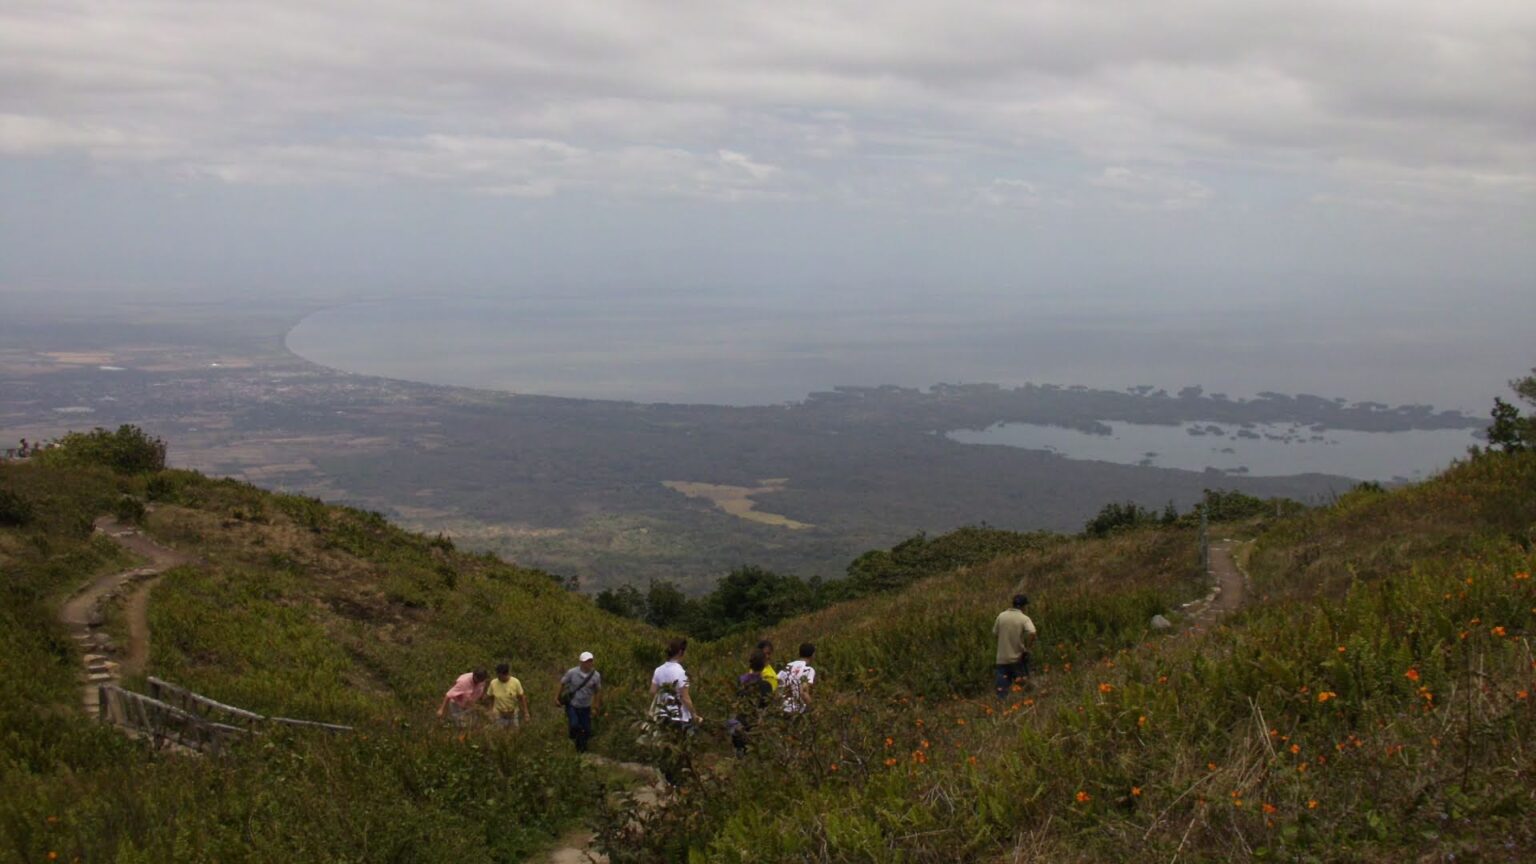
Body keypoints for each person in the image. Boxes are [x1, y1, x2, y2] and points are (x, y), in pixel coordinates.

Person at [728, 650, 774, 754]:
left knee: (740, 755)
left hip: (739, 722)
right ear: (764, 665)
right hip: (756, 724)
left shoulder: (741, 680)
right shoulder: (765, 685)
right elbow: (767, 705)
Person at [993, 593, 1037, 698]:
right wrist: (1027, 648)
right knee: (1025, 687)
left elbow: (995, 633)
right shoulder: (1024, 618)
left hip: (1001, 660)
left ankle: (1001, 708)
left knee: (1001, 691)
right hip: (1017, 659)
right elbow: (1032, 632)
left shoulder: (1001, 616)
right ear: (1023, 606)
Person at [556, 651, 602, 752]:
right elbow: (562, 683)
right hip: (573, 705)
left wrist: (596, 706)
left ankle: (582, 749)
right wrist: (557, 697)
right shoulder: (572, 673)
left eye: (590, 661)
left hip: (586, 706)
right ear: (581, 662)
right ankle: (573, 738)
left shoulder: (596, 676)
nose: (589, 663)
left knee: (586, 729)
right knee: (574, 725)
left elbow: (597, 691)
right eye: (586, 661)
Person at [650, 638, 699, 727]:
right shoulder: (681, 672)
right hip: (679, 717)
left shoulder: (658, 670)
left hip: (662, 715)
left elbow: (653, 691)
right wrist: (694, 714)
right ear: (680, 652)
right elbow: (685, 697)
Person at [488, 662, 530, 728]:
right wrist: (490, 710)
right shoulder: (493, 683)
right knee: (500, 733)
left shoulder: (515, 682)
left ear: (505, 674)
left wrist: (526, 713)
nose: (498, 677)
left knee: (514, 733)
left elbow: (521, 698)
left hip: (512, 714)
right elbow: (490, 697)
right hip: (499, 714)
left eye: (500, 675)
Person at [780, 643, 817, 714]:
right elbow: (803, 692)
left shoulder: (788, 666)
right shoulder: (808, 670)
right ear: (812, 655)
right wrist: (813, 708)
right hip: (796, 709)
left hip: (781, 707)